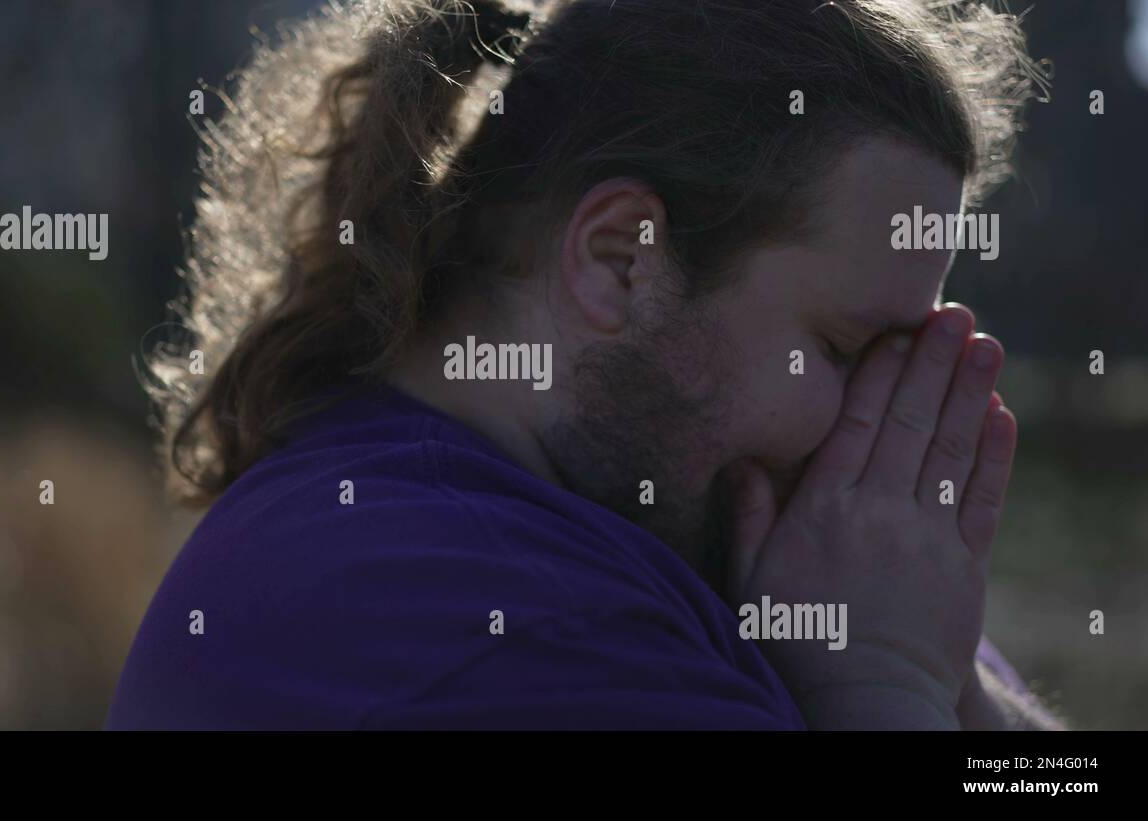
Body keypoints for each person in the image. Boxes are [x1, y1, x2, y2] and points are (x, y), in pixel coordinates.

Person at [108, 0, 1060, 729]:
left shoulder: (617, 528)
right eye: (846, 352)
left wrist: (950, 685)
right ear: (622, 259)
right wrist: (885, 688)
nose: (886, 421)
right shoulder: (498, 625)